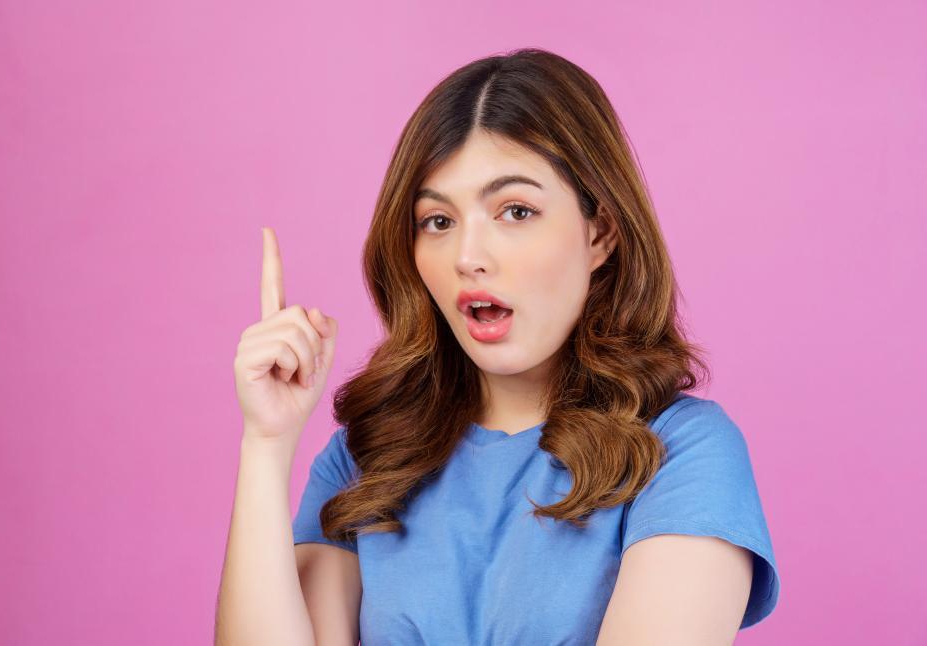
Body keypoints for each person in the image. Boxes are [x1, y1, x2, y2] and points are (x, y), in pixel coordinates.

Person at [216, 47, 780, 646]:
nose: (468, 257)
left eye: (515, 211)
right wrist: (267, 444)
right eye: (438, 221)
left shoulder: (682, 454)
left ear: (600, 233)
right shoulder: (367, 460)